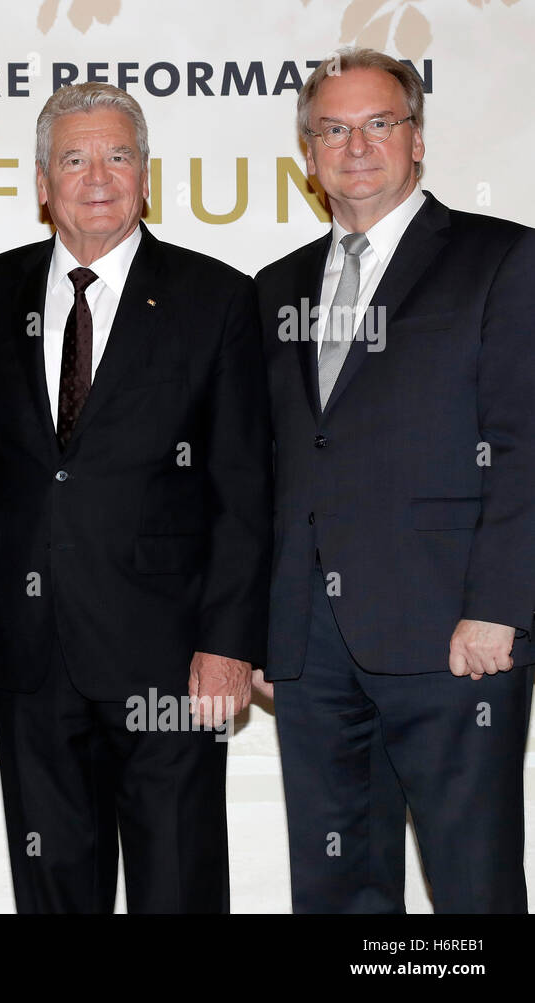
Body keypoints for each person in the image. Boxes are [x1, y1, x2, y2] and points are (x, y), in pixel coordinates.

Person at [0, 83, 272, 913]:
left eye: (118, 156)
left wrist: (230, 642)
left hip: (172, 658)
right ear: (41, 181)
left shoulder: (218, 296)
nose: (97, 175)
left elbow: (244, 486)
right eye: (74, 158)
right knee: (53, 886)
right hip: (29, 652)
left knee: (177, 882)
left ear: (146, 173)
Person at [255, 48, 535, 913]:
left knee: (471, 884)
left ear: (418, 141)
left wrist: (501, 605)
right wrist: (271, 626)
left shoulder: (502, 259)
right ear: (308, 154)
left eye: (380, 123)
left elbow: (525, 441)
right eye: (333, 129)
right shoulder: (277, 287)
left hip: (455, 636)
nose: (357, 145)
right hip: (312, 650)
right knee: (337, 886)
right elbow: (278, 462)